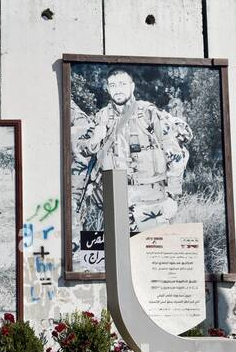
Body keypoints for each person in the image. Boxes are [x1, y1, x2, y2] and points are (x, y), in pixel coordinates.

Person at [72, 70, 193, 235]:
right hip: (115, 197)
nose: (118, 89)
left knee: (152, 250)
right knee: (119, 255)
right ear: (108, 89)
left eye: (122, 84)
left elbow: (175, 154)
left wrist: (173, 192)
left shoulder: (148, 113)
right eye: (113, 85)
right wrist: (95, 139)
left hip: (149, 198)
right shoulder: (102, 116)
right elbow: (85, 151)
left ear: (132, 86)